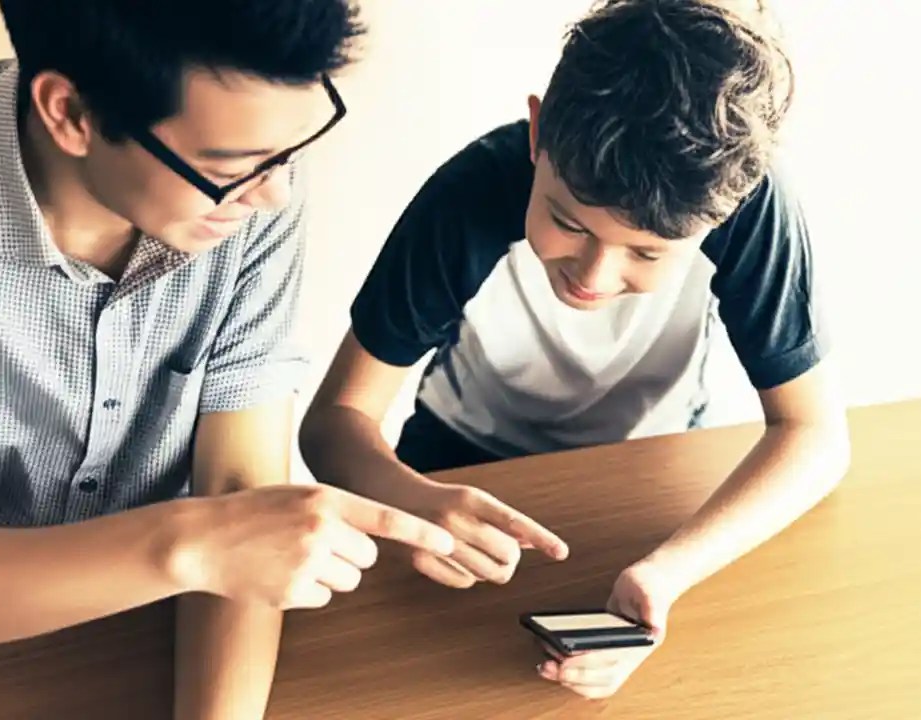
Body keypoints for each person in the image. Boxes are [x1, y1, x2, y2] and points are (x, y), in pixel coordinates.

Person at [0, 1, 455, 717]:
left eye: (288, 156)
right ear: (70, 113)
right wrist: (194, 542)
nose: (275, 193)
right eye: (229, 168)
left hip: (157, 628)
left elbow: (238, 490)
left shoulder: (251, 177)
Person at [299, 0, 851, 700]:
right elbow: (333, 422)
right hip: (455, 469)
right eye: (566, 221)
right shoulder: (469, 193)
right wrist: (415, 497)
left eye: (648, 252)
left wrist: (665, 575)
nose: (593, 277)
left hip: (651, 484)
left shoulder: (752, 206)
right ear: (537, 134)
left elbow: (816, 436)